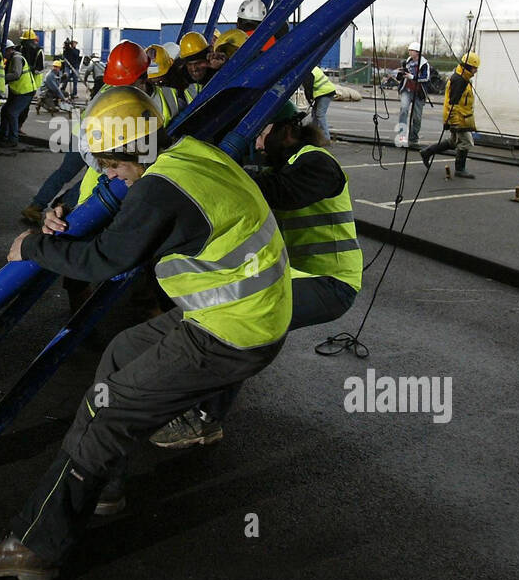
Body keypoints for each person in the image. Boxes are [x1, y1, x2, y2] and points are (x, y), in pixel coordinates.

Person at [0, 86, 291, 580]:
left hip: (230, 331)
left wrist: (32, 248)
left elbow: (104, 259)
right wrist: (65, 219)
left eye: (114, 166)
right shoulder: (185, 154)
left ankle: (31, 549)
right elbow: (132, 214)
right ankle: (104, 486)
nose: (110, 176)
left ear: (136, 150)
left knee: (103, 413)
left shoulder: (161, 192)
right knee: (122, 349)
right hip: (241, 312)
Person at [152, 103, 362, 448]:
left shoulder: (318, 162)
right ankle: (205, 416)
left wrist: (221, 180)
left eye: (263, 134)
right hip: (298, 276)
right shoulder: (287, 163)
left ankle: (202, 418)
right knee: (238, 322)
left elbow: (282, 191)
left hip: (329, 283)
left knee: (237, 322)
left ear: (286, 130)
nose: (260, 145)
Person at [21, 40, 147, 226]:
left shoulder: (141, 95)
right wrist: (109, 166)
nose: (122, 88)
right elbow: (86, 141)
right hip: (84, 139)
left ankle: (62, 204)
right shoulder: (105, 96)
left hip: (103, 144)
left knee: (88, 179)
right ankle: (37, 206)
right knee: (69, 173)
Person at [421, 51, 480, 178]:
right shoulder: (459, 80)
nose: (476, 70)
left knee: (454, 142)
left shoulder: (462, 78)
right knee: (466, 142)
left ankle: (427, 152)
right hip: (459, 118)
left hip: (460, 116)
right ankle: (460, 169)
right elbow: (453, 103)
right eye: (475, 68)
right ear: (469, 66)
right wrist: (454, 121)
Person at [0, 40, 36, 148]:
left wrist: (1, 79)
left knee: (12, 113)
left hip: (25, 92)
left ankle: (13, 139)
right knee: (5, 111)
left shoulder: (16, 59)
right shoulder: (11, 59)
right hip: (18, 91)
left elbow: (16, 74)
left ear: (9, 50)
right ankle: (3, 135)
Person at [395, 42, 432, 146]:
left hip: (418, 93)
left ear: (417, 52)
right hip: (406, 90)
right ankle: (401, 135)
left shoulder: (424, 64)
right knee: (403, 111)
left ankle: (413, 138)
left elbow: (426, 78)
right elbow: (401, 77)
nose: (410, 52)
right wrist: (401, 74)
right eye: (409, 50)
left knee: (417, 117)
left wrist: (412, 77)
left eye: (412, 50)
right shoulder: (407, 62)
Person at [304, 64, 339, 139]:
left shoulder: (308, 72)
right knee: (314, 114)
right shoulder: (312, 67)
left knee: (320, 114)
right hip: (323, 92)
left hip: (325, 92)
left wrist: (309, 99)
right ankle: (314, 135)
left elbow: (308, 87)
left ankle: (326, 138)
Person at [178, 31, 213, 101]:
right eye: (189, 64)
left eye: (198, 63)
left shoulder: (219, 75)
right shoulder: (180, 82)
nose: (194, 69)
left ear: (207, 59)